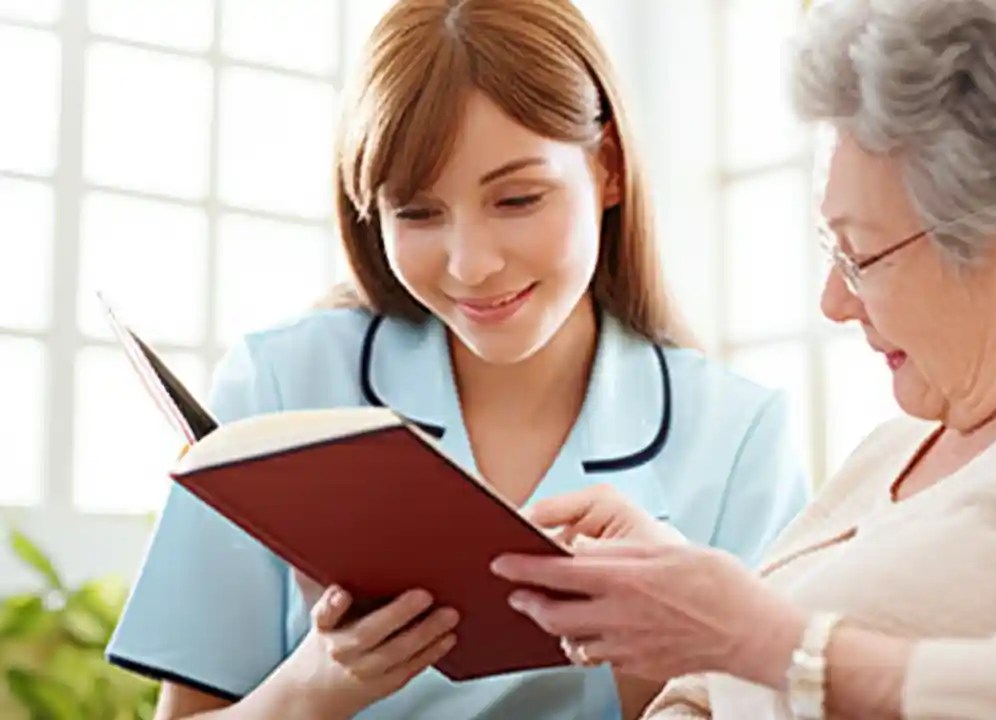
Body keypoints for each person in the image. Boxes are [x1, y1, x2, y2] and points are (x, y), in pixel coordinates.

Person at [489, 0, 996, 717]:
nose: (835, 301)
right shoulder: (892, 452)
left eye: (862, 256)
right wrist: (674, 594)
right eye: (831, 248)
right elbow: (709, 690)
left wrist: (758, 636)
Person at [104, 1, 810, 718]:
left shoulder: (740, 434)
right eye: (417, 212)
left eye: (517, 199)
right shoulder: (278, 382)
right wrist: (315, 685)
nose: (471, 265)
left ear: (609, 169)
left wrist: (656, 640)